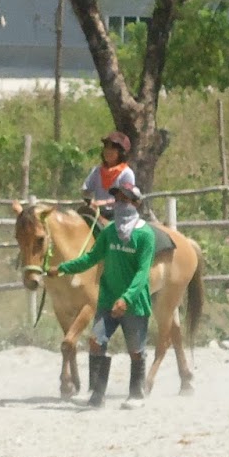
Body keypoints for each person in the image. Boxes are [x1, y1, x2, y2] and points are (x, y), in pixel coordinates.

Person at [48, 172, 156, 408]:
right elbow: (90, 258)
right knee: (96, 341)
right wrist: (63, 268)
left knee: (136, 350)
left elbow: (142, 273)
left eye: (126, 200)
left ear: (136, 204)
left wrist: (127, 298)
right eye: (117, 199)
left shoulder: (145, 235)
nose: (121, 204)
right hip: (107, 300)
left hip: (134, 304)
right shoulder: (108, 232)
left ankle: (136, 394)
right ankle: (97, 394)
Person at [81, 131, 138, 227]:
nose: (108, 151)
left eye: (112, 149)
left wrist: (104, 203)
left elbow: (126, 198)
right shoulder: (97, 171)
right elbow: (86, 190)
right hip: (97, 212)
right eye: (106, 148)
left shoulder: (126, 173)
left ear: (121, 153)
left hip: (117, 214)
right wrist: (90, 201)